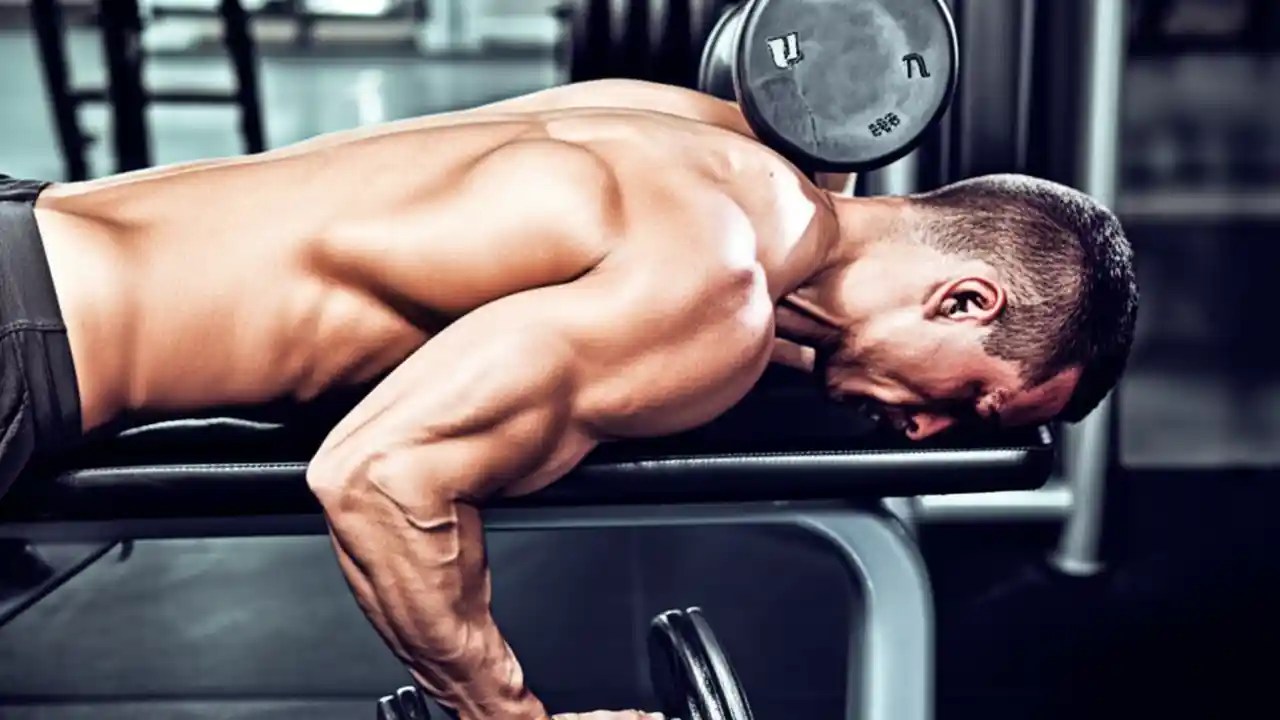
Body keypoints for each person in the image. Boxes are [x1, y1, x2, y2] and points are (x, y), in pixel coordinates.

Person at [0, 79, 1136, 719]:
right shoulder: (715, 287)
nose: (930, 435)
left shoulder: (712, 144)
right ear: (965, 301)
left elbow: (664, 285)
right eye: (975, 406)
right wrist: (507, 713)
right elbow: (383, 478)